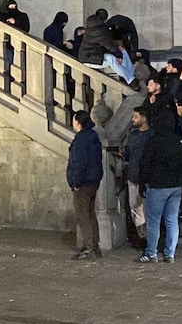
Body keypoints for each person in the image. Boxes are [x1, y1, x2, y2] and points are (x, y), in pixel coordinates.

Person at [138, 107, 182, 263]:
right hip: (175, 185)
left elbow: (145, 163)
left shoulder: (154, 141)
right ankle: (170, 253)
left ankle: (151, 252)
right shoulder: (178, 141)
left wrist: (142, 182)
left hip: (158, 185)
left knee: (154, 220)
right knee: (172, 219)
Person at [67, 109, 103, 260]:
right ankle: (94, 245)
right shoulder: (93, 136)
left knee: (83, 215)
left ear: (78, 122)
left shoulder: (82, 139)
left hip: (83, 182)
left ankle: (88, 246)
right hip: (93, 180)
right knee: (90, 213)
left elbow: (80, 162)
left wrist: (75, 181)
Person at [78, 12, 135, 87]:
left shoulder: (93, 27)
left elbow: (108, 43)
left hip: (95, 54)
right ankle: (131, 80)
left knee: (122, 51)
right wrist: (118, 55)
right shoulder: (97, 30)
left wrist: (118, 50)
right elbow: (108, 44)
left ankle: (131, 75)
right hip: (88, 57)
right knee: (111, 59)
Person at [122, 106, 152, 242]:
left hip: (147, 178)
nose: (133, 119)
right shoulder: (133, 135)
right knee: (134, 206)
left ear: (144, 119)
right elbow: (128, 153)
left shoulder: (152, 136)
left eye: (136, 116)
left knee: (147, 208)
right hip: (133, 176)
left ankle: (149, 237)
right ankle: (142, 235)